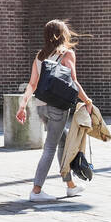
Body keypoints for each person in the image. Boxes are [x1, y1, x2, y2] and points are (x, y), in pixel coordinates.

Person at [15, 19, 93, 202]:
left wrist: (23, 105)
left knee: (63, 141)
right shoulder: (67, 54)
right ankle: (36, 190)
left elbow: (32, 84)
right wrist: (87, 100)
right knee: (50, 147)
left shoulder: (40, 56)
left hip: (41, 107)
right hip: (58, 106)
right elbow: (73, 81)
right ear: (63, 35)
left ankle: (70, 185)